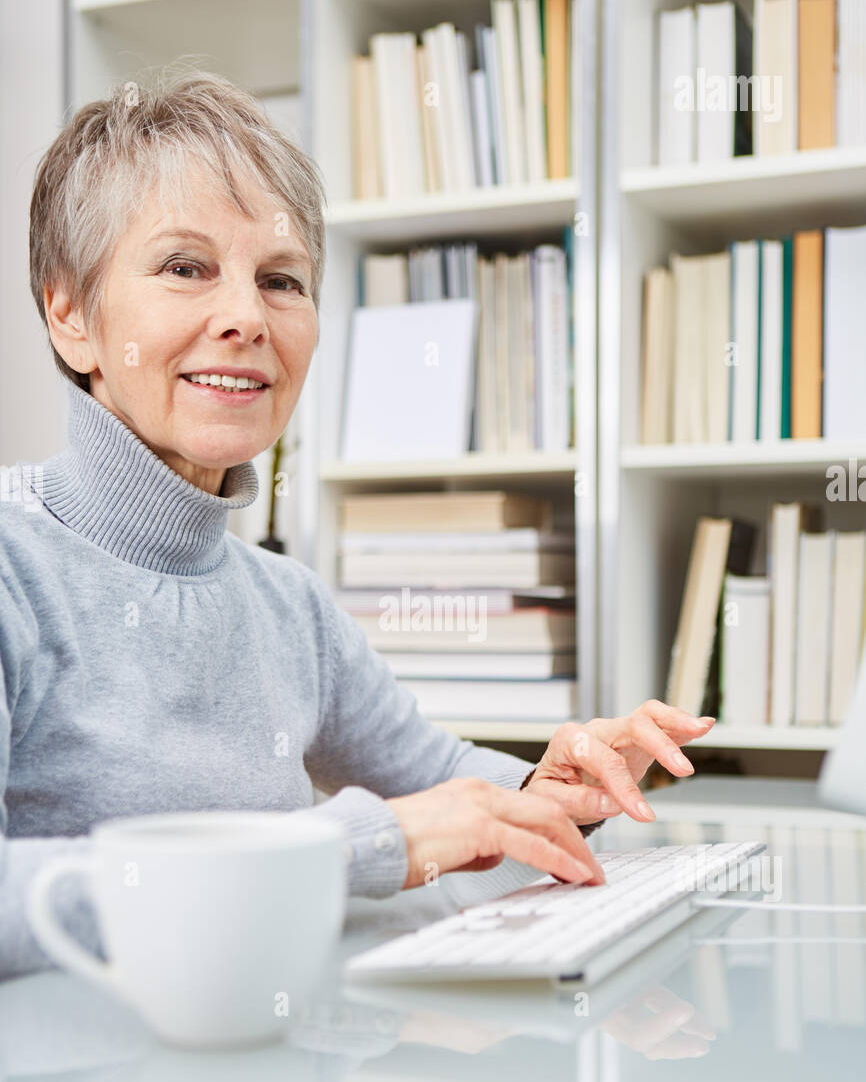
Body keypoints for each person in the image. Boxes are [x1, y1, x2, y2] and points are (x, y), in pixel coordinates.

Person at [0, 68, 714, 979]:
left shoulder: (285, 604)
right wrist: (356, 847)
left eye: (282, 280)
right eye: (185, 268)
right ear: (69, 315)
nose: (246, 318)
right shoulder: (13, 565)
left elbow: (430, 776)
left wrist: (549, 787)